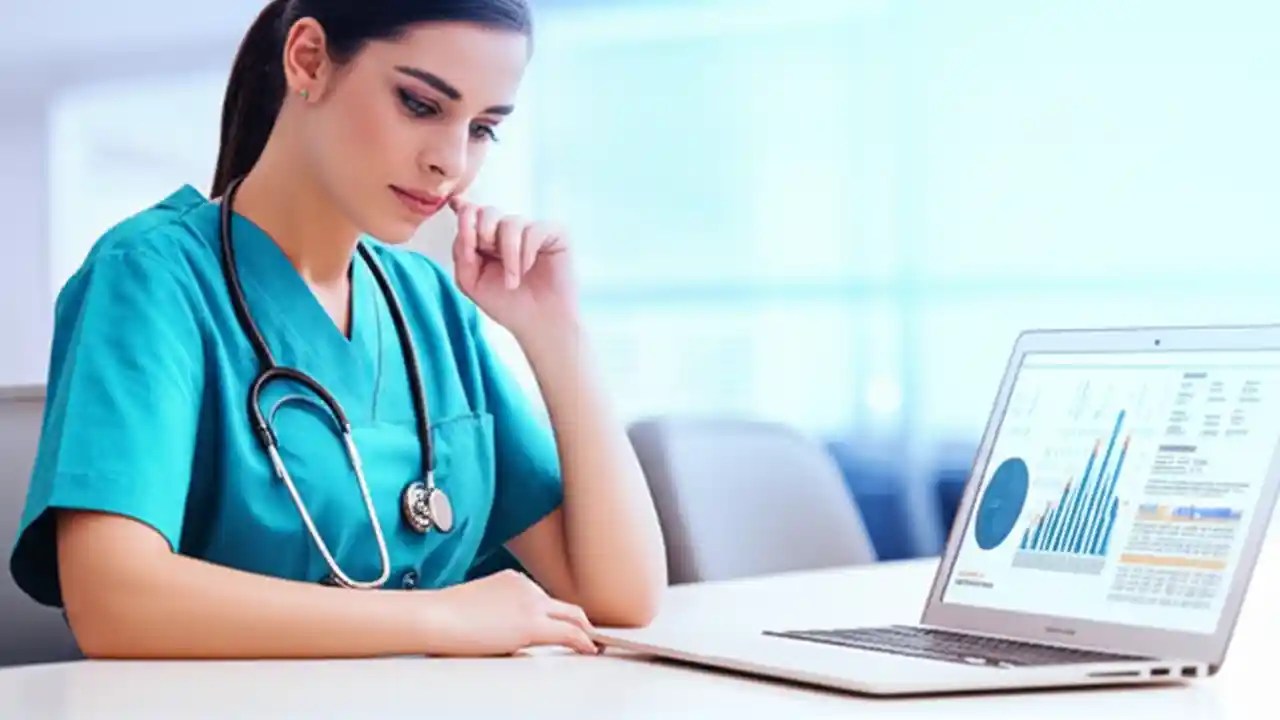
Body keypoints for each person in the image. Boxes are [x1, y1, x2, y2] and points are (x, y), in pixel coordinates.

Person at [7, 0, 667, 659]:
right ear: (309, 60)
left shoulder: (429, 302)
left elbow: (619, 595)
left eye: (483, 128)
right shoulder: (150, 278)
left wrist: (557, 335)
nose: (452, 162)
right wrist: (436, 620)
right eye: (420, 104)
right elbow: (113, 602)